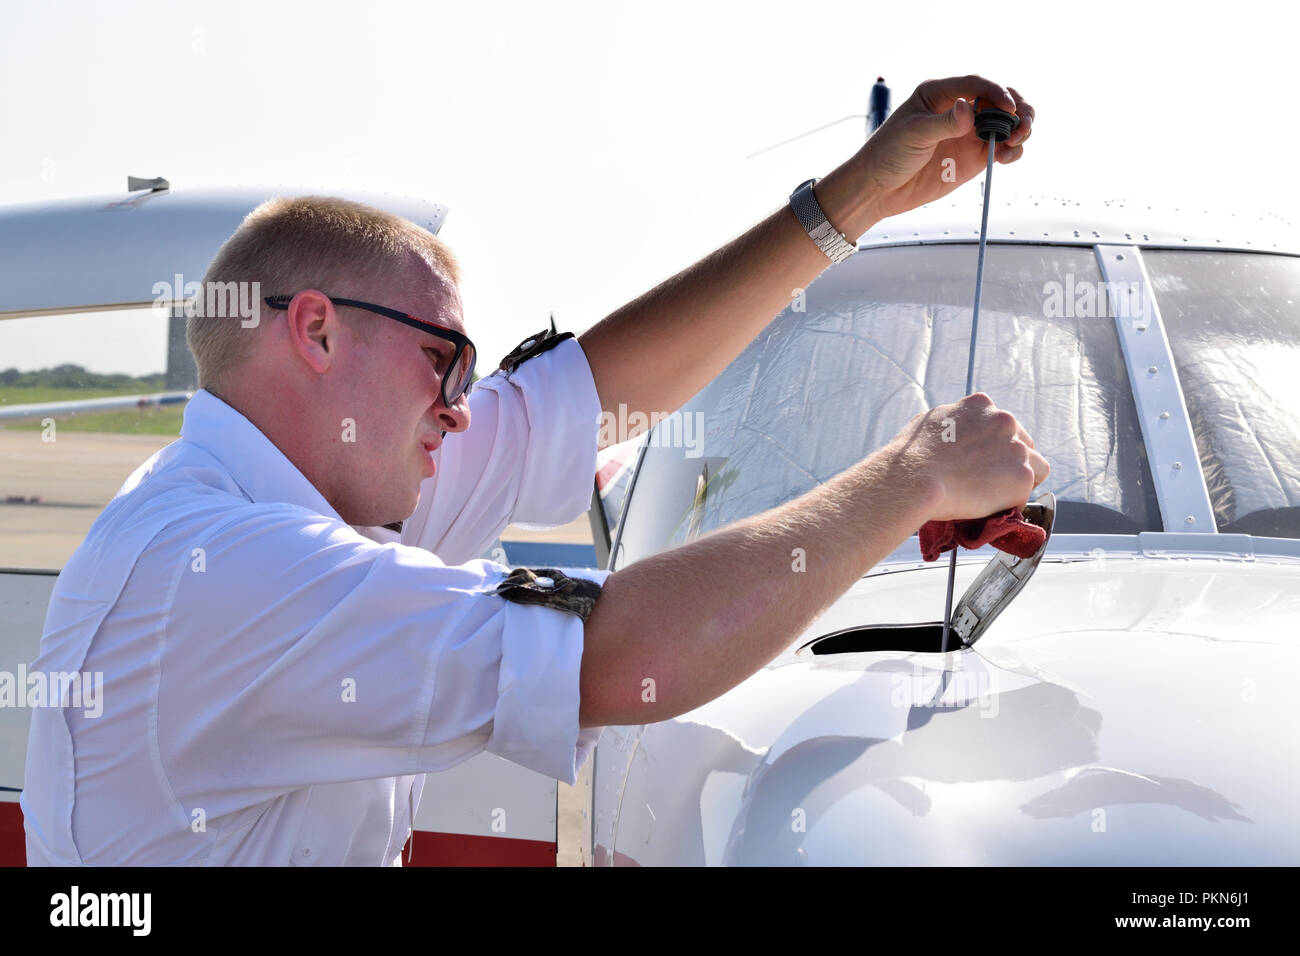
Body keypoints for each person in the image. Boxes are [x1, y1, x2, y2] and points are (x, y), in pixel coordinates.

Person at [22, 75, 1047, 865]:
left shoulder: (300, 485)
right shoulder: (221, 566)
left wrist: (854, 199)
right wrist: (910, 474)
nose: (462, 403)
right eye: (445, 357)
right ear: (318, 332)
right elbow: (625, 655)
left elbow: (594, 393)